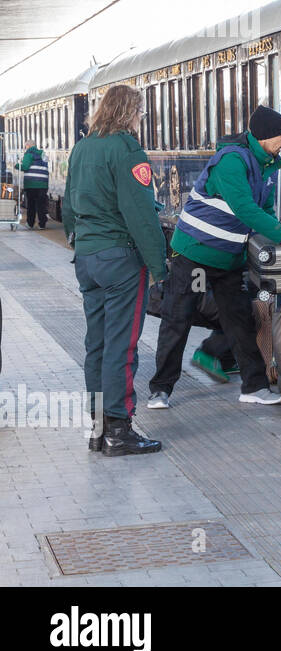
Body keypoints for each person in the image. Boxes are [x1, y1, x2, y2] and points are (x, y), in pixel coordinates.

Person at [148, 105, 281, 407]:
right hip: (195, 254)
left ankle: (254, 388)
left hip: (228, 259)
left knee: (240, 319)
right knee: (178, 318)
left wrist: (280, 241)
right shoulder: (232, 161)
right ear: (263, 136)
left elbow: (265, 211)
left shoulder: (269, 165)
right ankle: (161, 389)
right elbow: (244, 209)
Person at [63, 85, 168, 456]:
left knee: (97, 344)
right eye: (140, 112)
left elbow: (68, 209)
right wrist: (160, 267)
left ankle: (97, 429)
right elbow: (140, 214)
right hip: (120, 261)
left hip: (88, 260)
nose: (141, 118)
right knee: (121, 347)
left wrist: (80, 243)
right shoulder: (126, 149)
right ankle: (119, 432)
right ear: (130, 112)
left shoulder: (82, 148)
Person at [16, 139, 50, 229]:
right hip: (43, 184)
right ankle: (42, 224)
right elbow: (46, 165)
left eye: (25, 146)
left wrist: (17, 165)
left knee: (31, 205)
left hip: (31, 184)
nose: (25, 148)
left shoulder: (28, 154)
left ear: (28, 146)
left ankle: (30, 223)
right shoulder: (43, 154)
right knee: (41, 205)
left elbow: (25, 166)